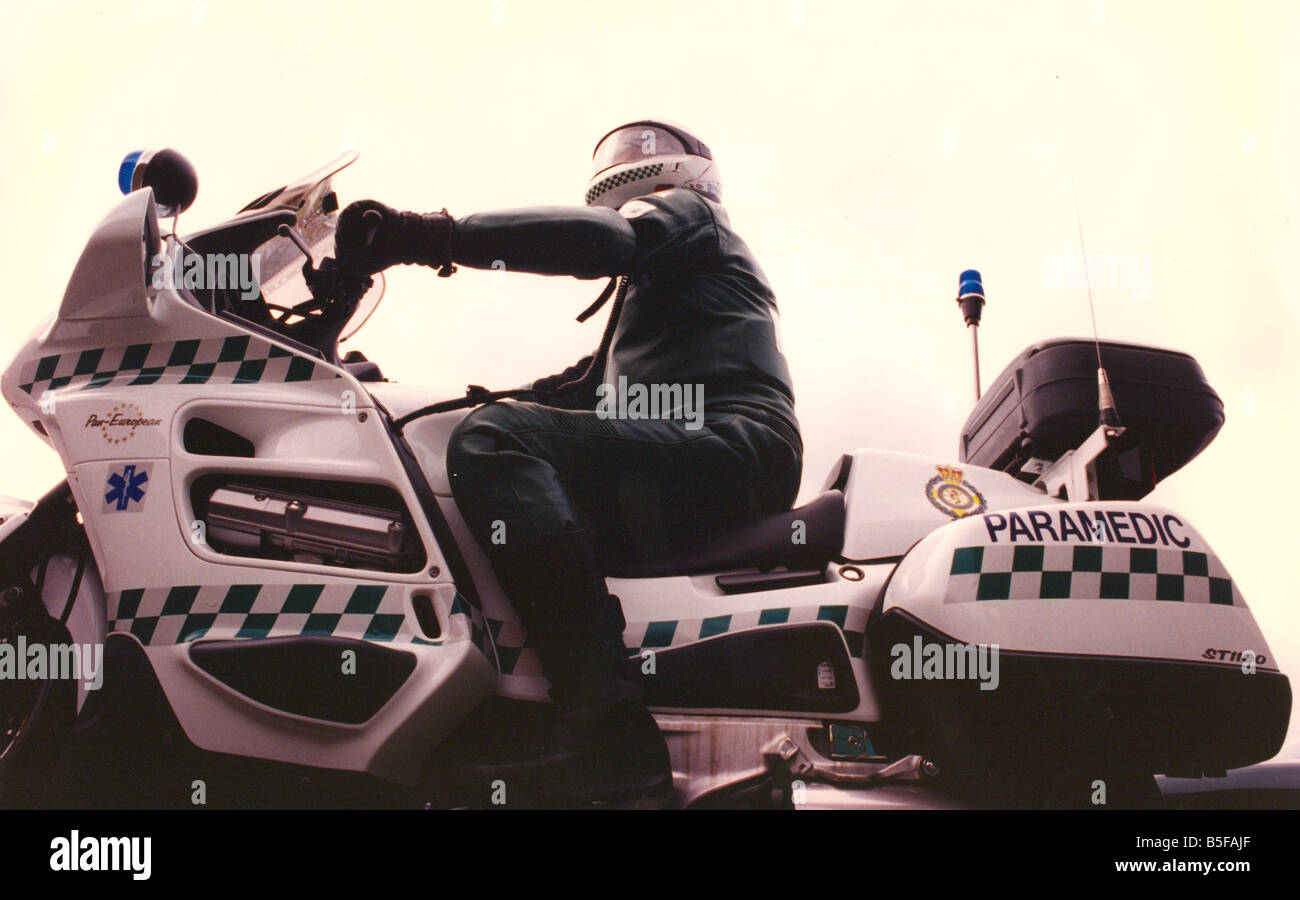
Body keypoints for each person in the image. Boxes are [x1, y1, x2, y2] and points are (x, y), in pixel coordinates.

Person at [331, 120, 802, 801]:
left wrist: (426, 235)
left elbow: (608, 239)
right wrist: (375, 388)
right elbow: (562, 398)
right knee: (486, 435)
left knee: (496, 442)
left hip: (736, 442)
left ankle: (606, 731)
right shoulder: (651, 304)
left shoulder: (691, 219)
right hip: (695, 454)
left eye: (637, 148)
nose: (623, 161)